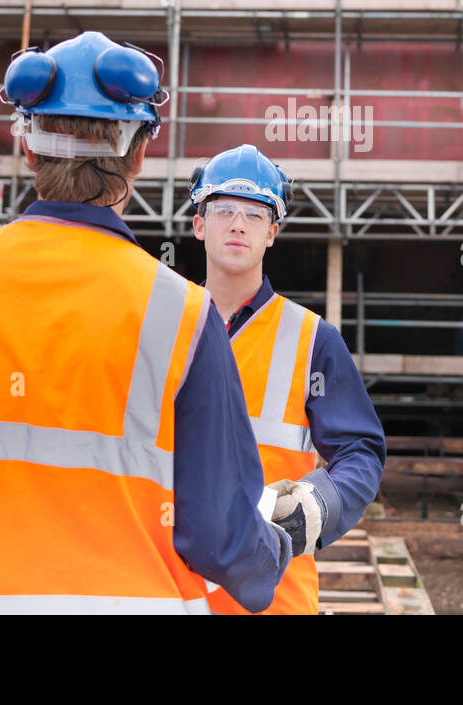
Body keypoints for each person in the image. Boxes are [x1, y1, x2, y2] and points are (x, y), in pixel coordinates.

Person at [0, 32, 293, 614]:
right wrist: (272, 558)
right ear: (139, 155)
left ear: (29, 150)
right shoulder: (184, 314)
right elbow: (221, 534)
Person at [189, 145, 386, 614]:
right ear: (199, 225)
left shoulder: (312, 338)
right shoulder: (160, 324)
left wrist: (320, 503)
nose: (238, 224)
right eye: (224, 210)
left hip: (274, 592)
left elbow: (360, 451)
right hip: (172, 589)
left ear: (272, 233)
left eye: (255, 215)